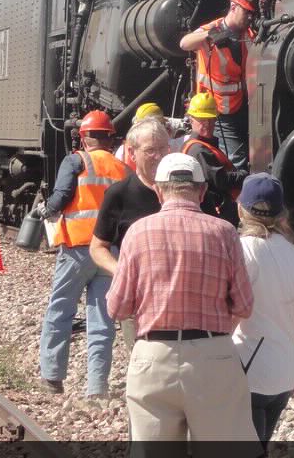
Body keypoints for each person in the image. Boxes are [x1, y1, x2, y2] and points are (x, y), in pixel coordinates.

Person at [106, 152, 259, 449]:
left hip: (153, 356)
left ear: (158, 190)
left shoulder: (137, 233)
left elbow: (117, 307)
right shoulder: (225, 233)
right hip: (213, 355)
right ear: (202, 191)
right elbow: (244, 306)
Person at [35, 109, 128, 396]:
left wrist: (45, 210)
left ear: (84, 137)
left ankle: (52, 377)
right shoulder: (122, 168)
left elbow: (62, 196)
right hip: (109, 253)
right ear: (109, 138)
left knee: (61, 309)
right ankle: (97, 387)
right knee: (102, 319)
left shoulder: (76, 160)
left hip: (77, 250)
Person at [232, 174, 294, 445]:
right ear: (281, 213)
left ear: (241, 208)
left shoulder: (241, 250)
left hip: (247, 369)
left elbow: (232, 315)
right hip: (283, 372)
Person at [90, 118, 170, 346]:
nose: (159, 156)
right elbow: (97, 247)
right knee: (142, 366)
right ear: (132, 154)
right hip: (139, 301)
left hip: (179, 297)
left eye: (163, 149)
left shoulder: (184, 188)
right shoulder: (119, 194)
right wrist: (122, 272)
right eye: (150, 150)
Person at [179, 0, 258, 171]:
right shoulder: (212, 29)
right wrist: (209, 35)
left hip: (241, 105)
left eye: (252, 14)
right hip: (218, 108)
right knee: (235, 158)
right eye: (246, 12)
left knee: (242, 152)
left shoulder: (248, 34)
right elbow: (184, 43)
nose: (250, 18)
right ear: (233, 7)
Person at [180, 92, 243, 224]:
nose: (207, 124)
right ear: (191, 120)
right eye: (202, 120)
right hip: (218, 216)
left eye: (211, 119)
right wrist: (244, 176)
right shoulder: (198, 150)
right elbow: (220, 180)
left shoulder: (203, 146)